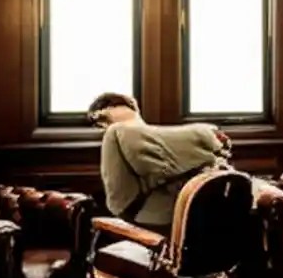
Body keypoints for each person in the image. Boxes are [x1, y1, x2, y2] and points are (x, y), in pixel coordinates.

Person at [86, 92, 230, 231]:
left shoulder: (117, 133)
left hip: (154, 220)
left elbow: (118, 205)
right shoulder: (209, 137)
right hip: (207, 217)